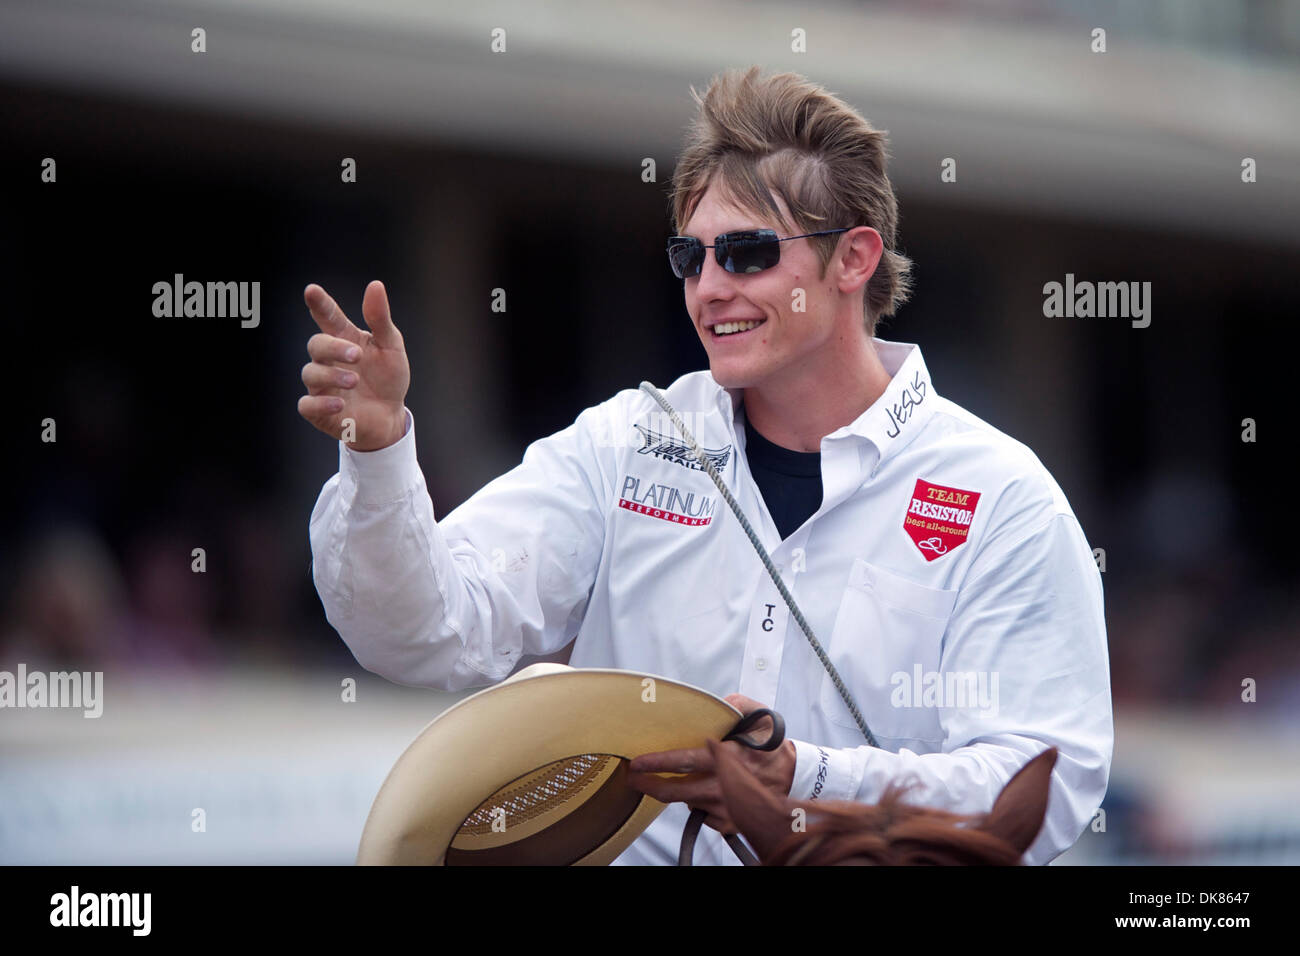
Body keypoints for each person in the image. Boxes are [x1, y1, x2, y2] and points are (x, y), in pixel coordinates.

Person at [300, 67, 1112, 866]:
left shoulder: (1002, 496)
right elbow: (420, 633)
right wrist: (379, 452)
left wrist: (806, 782)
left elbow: (1049, 782)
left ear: (855, 259)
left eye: (750, 253)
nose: (711, 288)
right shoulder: (625, 442)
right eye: (692, 257)